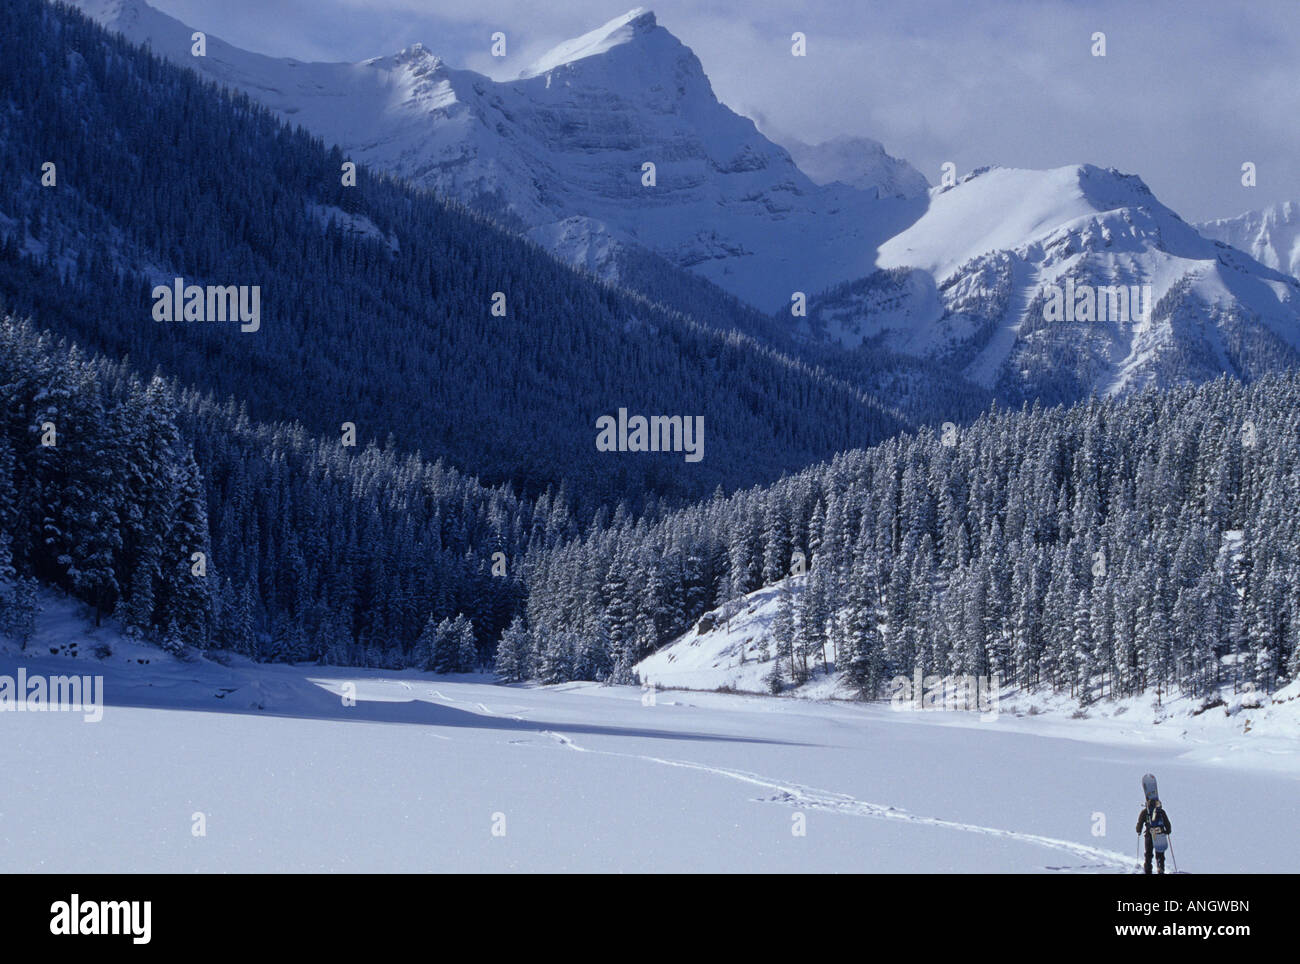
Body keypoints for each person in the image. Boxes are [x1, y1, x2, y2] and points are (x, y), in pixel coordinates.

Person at [1136, 797, 1172, 874]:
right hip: (1160, 834)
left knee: (1148, 854)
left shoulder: (1145, 811)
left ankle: (1148, 870)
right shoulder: (1161, 812)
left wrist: (1138, 831)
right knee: (1160, 852)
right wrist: (1168, 831)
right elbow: (1167, 822)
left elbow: (1140, 823)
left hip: (1149, 834)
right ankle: (1160, 868)